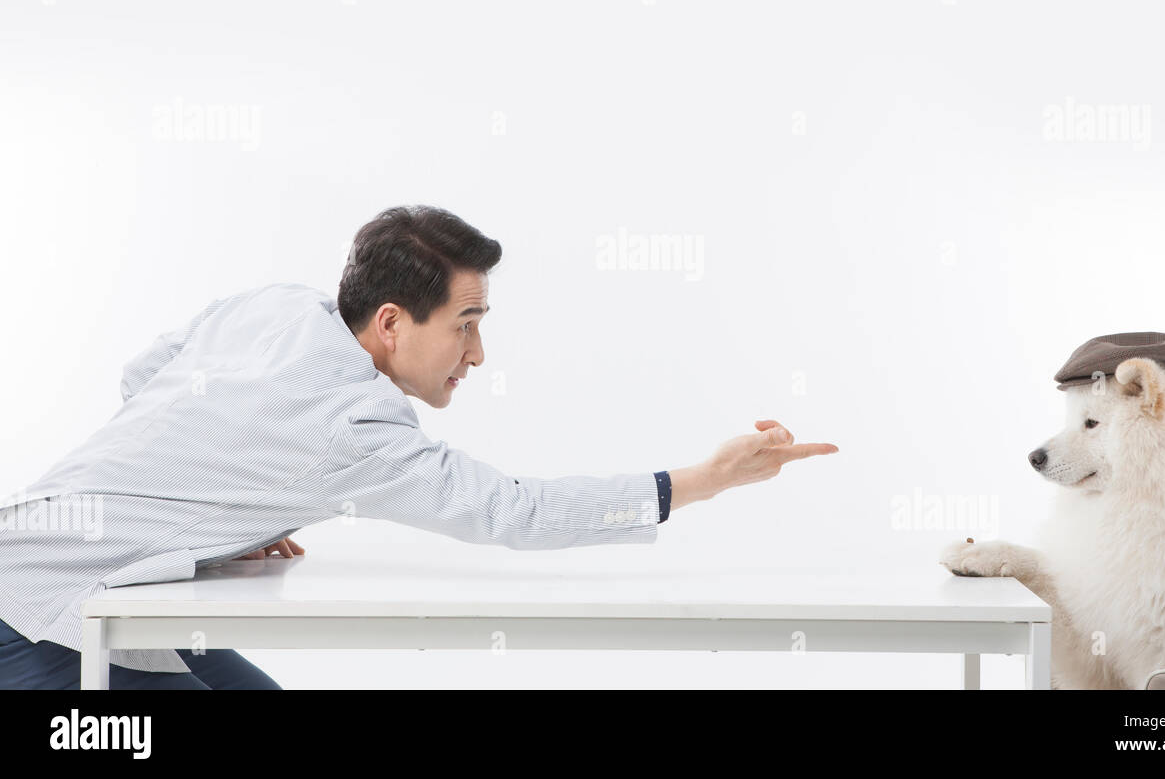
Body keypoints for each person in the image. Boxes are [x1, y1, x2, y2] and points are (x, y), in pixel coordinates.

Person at [0, 205, 838, 688]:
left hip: (72, 581)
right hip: (39, 620)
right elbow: (514, 512)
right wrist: (701, 480)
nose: (477, 354)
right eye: (466, 325)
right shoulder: (357, 429)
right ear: (393, 322)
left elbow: (141, 376)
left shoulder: (276, 306)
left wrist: (221, 507)